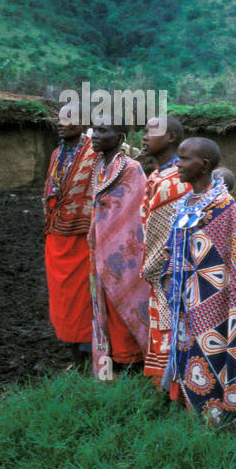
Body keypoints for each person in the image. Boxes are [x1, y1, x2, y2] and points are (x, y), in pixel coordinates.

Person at [162, 137, 236, 427]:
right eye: (178, 157)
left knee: (212, 352)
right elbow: (174, 249)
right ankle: (195, 416)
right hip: (185, 300)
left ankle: (221, 420)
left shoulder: (224, 206)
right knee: (189, 352)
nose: (178, 164)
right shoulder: (185, 203)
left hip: (218, 298)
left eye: (184, 158)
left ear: (204, 166)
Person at [87, 119, 150, 379]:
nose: (95, 135)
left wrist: (115, 244)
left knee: (129, 301)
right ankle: (117, 362)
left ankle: (136, 363)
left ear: (120, 136)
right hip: (100, 249)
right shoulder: (99, 166)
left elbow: (135, 214)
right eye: (94, 129)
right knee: (108, 306)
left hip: (126, 253)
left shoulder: (132, 169)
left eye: (103, 130)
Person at [42, 116, 96, 368]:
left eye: (69, 119)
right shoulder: (56, 154)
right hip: (56, 237)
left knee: (85, 298)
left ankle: (92, 356)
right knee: (63, 299)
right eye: (60, 120)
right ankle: (75, 357)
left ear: (84, 123)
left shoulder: (95, 154)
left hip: (84, 238)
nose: (61, 124)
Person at [140, 115, 190, 384]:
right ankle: (164, 380)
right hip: (158, 267)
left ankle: (172, 383)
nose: (145, 137)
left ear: (171, 137)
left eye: (151, 131)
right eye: (144, 131)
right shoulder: (158, 175)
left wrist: (152, 264)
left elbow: (167, 234)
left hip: (171, 269)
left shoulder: (178, 180)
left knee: (172, 323)